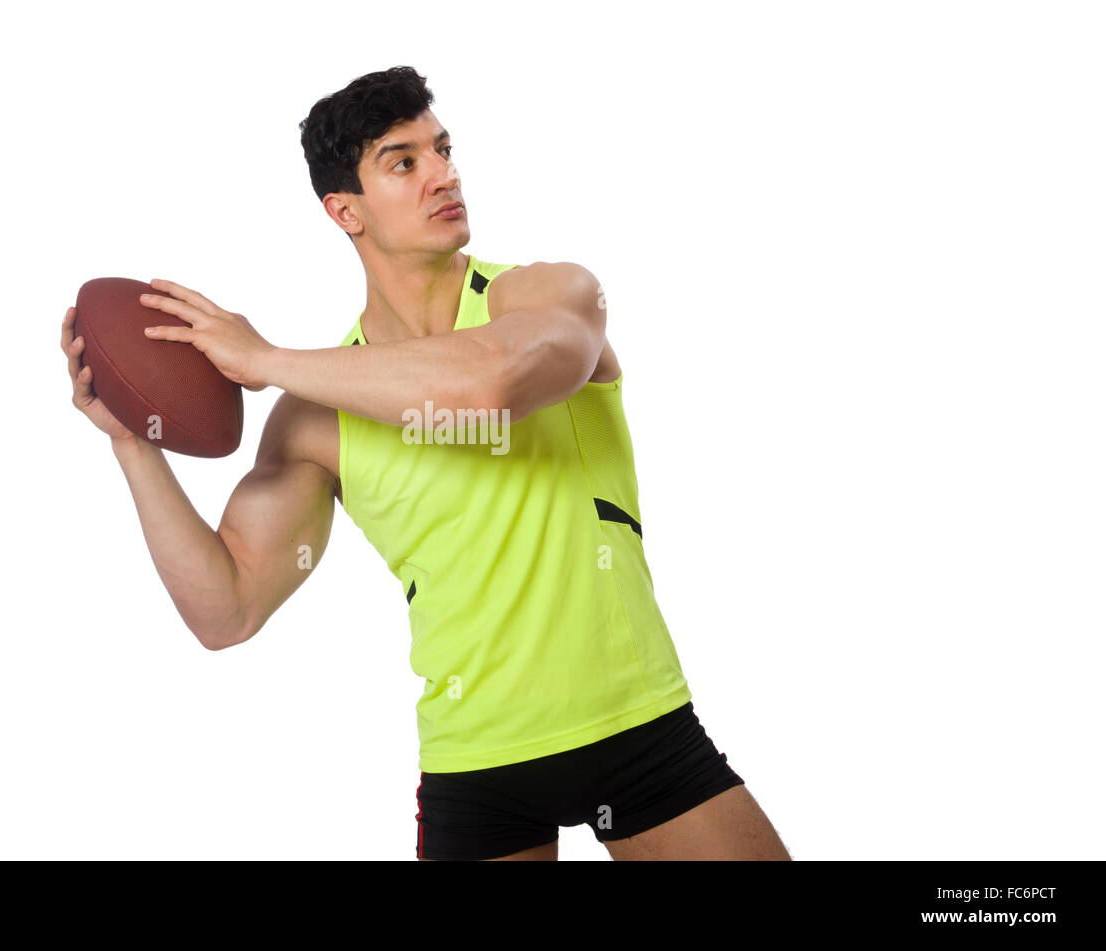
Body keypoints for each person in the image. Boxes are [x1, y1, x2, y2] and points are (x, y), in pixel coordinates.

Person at [60, 65, 791, 861]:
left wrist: (269, 359)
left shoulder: (545, 294)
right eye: (403, 162)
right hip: (475, 764)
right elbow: (226, 609)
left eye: (443, 149)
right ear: (346, 210)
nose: (443, 173)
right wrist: (132, 442)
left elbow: (491, 384)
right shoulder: (312, 414)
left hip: (638, 726)